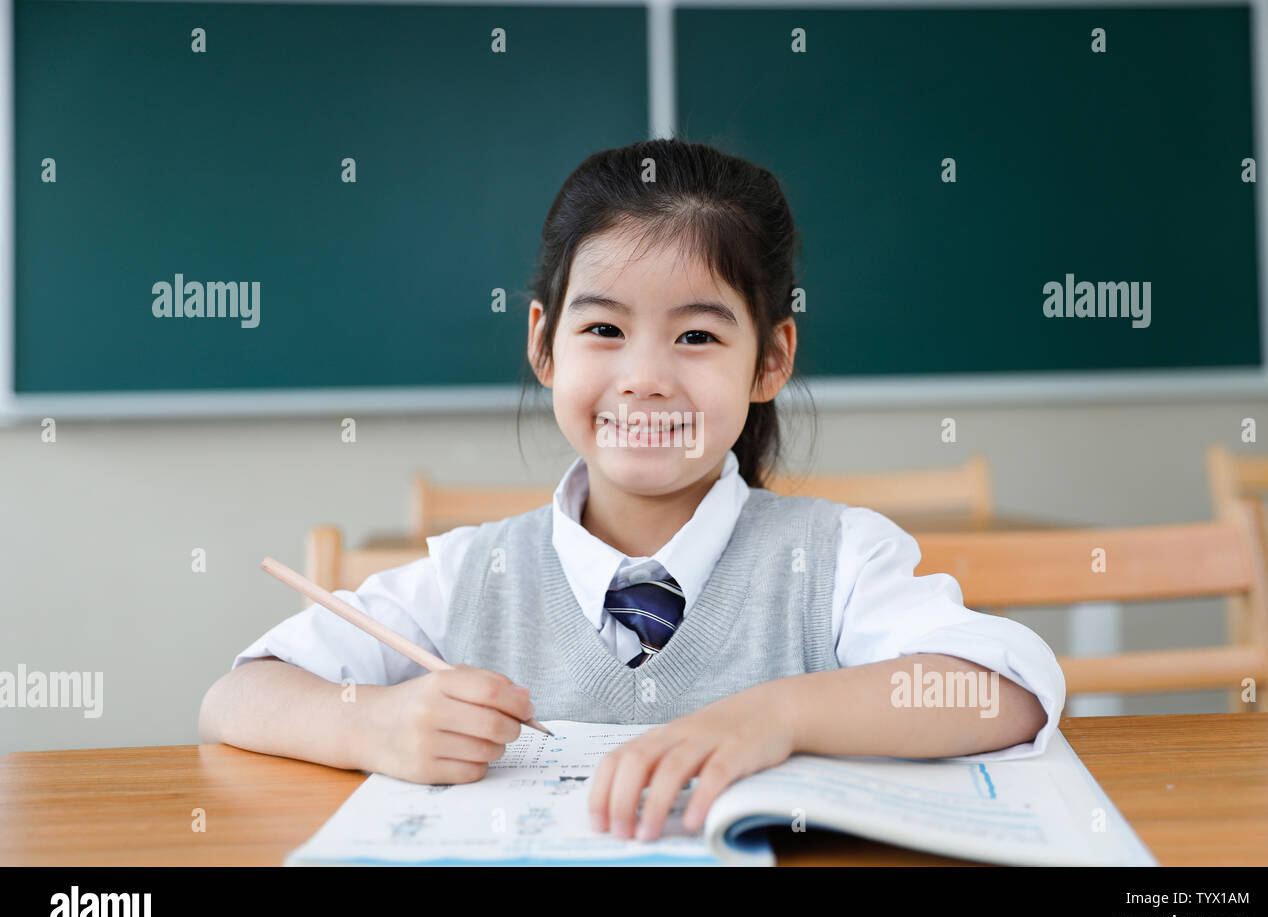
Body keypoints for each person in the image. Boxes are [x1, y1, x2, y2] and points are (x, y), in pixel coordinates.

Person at [200, 138, 1064, 845]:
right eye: (605, 329)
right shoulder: (470, 575)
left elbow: (1003, 689)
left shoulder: (834, 560)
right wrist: (371, 725)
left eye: (695, 334)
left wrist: (774, 716)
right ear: (544, 346)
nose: (645, 379)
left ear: (770, 359)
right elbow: (237, 697)